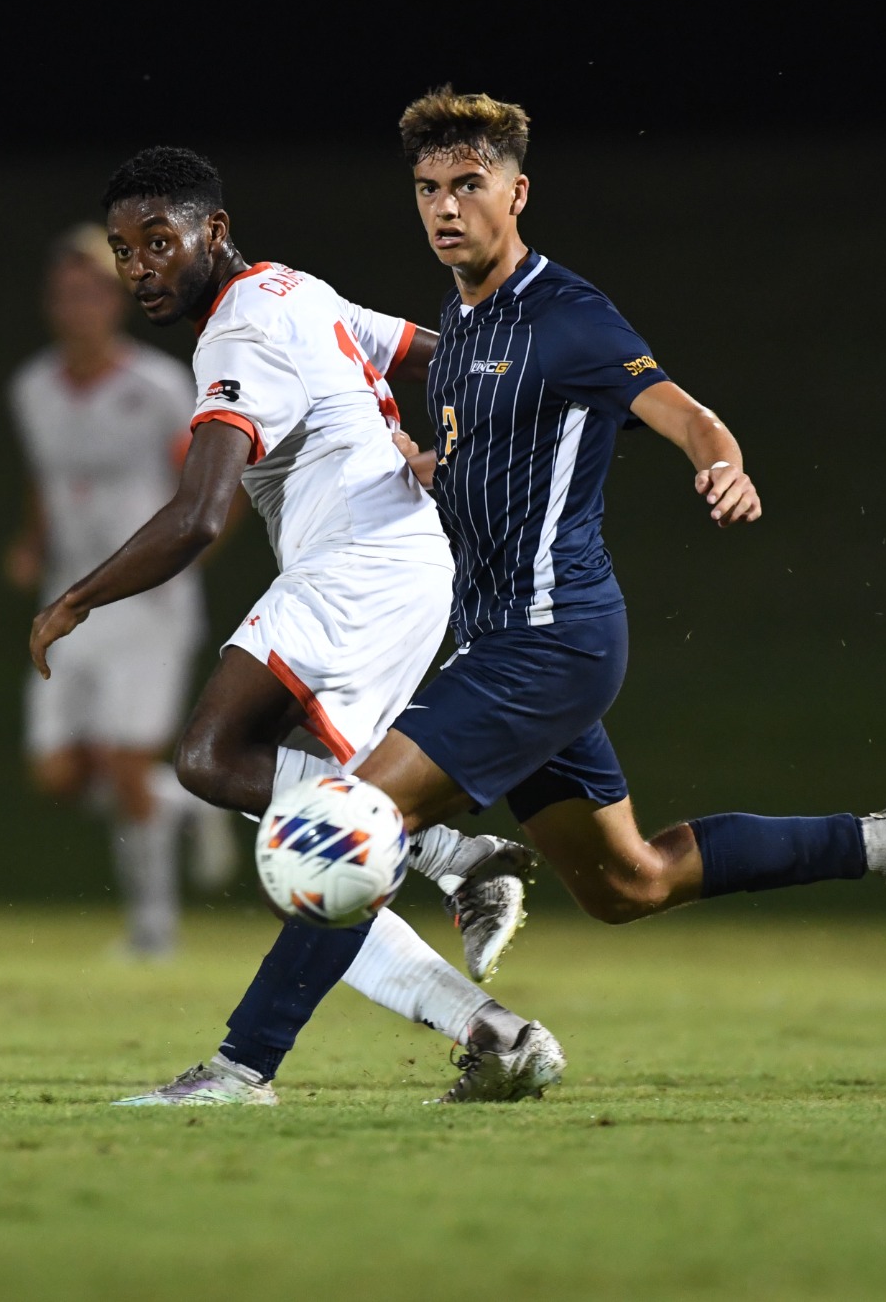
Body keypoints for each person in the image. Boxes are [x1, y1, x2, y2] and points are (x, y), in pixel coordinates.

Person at [112, 90, 886, 1105]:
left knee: (351, 819)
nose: (444, 208)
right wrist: (429, 466)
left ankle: (242, 1065)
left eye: (467, 185)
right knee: (628, 882)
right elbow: (493, 464)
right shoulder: (459, 321)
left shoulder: (565, 314)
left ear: (516, 193)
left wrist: (720, 462)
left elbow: (682, 412)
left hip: (547, 642)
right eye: (428, 188)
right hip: (502, 642)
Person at [31, 147, 556, 1104]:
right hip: (392, 569)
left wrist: (76, 597)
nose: (140, 266)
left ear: (214, 233)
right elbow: (443, 356)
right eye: (123, 250)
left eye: (160, 240)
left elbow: (196, 516)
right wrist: (492, 425)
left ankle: (439, 858)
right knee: (322, 847)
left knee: (211, 759)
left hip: (355, 570)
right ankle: (495, 1031)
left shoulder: (239, 333)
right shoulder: (295, 289)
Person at [7, 225, 235, 958]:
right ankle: (185, 806)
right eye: (68, 292)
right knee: (59, 773)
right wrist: (32, 542)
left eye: (95, 291)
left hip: (145, 598)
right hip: (69, 595)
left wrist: (188, 556)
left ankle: (152, 932)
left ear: (119, 301)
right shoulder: (33, 388)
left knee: (126, 763)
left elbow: (215, 486)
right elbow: (48, 480)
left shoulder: (159, 387)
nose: (81, 306)